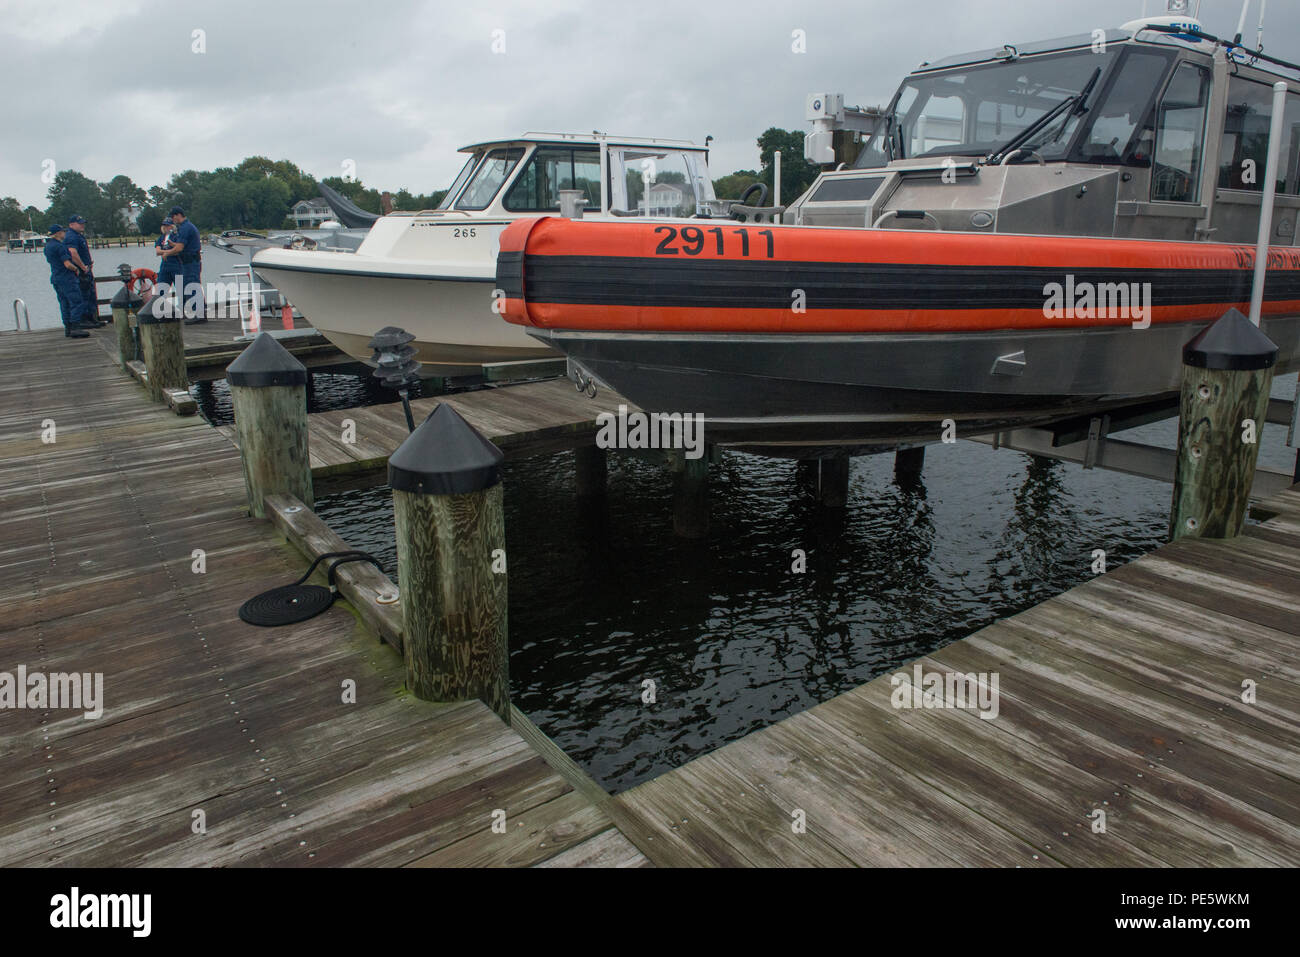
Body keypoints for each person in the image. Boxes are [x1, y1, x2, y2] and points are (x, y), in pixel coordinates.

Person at [160, 205, 204, 323]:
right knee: (191, 287)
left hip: (190, 262)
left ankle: (199, 314)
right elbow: (181, 245)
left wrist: (167, 253)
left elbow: (180, 248)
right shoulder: (185, 227)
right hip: (188, 262)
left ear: (179, 215)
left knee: (192, 286)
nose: (173, 220)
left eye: (173, 217)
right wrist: (172, 244)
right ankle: (200, 313)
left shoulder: (185, 228)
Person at [44, 225, 90, 338]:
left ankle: (68, 327)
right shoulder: (60, 247)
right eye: (62, 232)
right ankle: (75, 327)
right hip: (67, 278)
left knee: (64, 303)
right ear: (58, 233)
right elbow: (67, 264)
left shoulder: (47, 247)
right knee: (76, 302)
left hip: (56, 278)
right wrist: (77, 269)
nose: (64, 234)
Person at [63, 214, 104, 327]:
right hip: (81, 271)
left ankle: (91, 318)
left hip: (87, 269)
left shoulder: (78, 235)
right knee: (84, 294)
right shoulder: (71, 236)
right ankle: (84, 320)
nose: (82, 225)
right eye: (79, 223)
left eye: (82, 223)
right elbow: (72, 252)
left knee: (90, 294)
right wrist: (82, 267)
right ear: (71, 224)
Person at [155, 217, 178, 297]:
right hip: (165, 266)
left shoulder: (176, 237)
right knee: (160, 289)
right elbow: (158, 251)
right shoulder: (161, 238)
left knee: (181, 289)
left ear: (172, 226)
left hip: (176, 265)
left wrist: (165, 253)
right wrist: (168, 252)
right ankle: (160, 306)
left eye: (167, 225)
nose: (165, 227)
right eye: (164, 225)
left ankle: (183, 306)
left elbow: (177, 251)